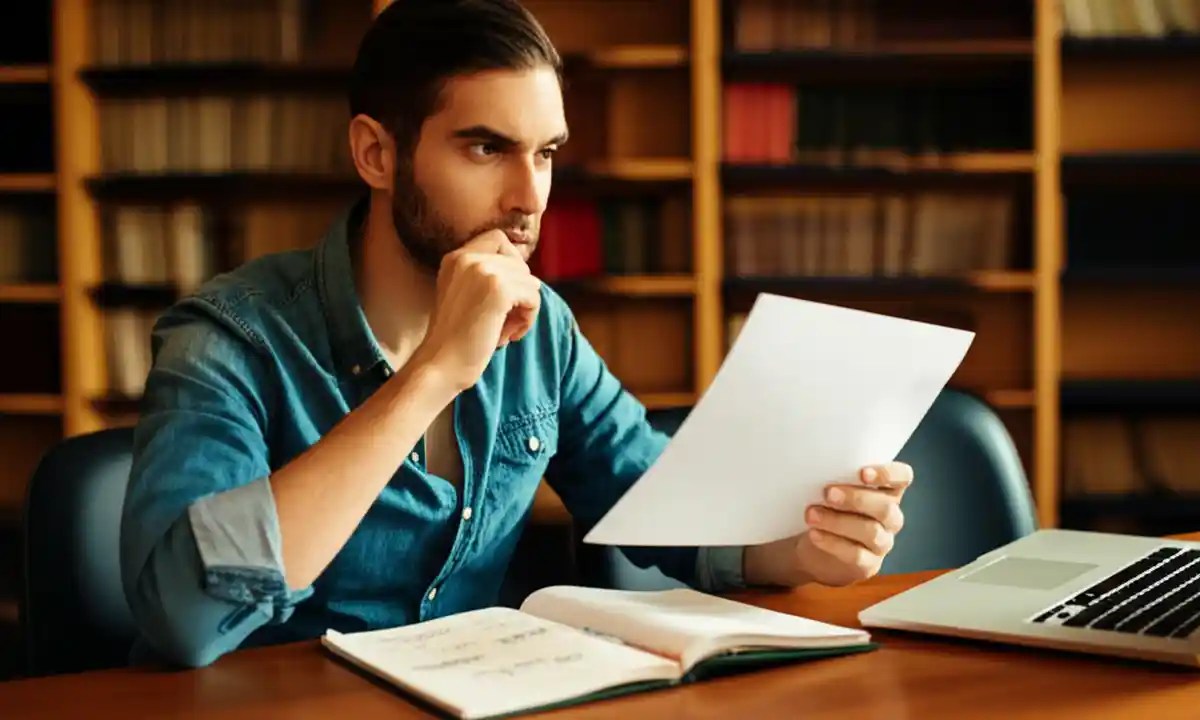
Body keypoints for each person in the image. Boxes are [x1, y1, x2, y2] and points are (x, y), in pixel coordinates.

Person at [121, 0, 913, 669]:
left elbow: (666, 510)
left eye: (546, 153)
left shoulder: (542, 331)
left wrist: (800, 550)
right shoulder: (227, 338)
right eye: (486, 148)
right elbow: (185, 620)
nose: (529, 196)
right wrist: (433, 373)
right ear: (376, 154)